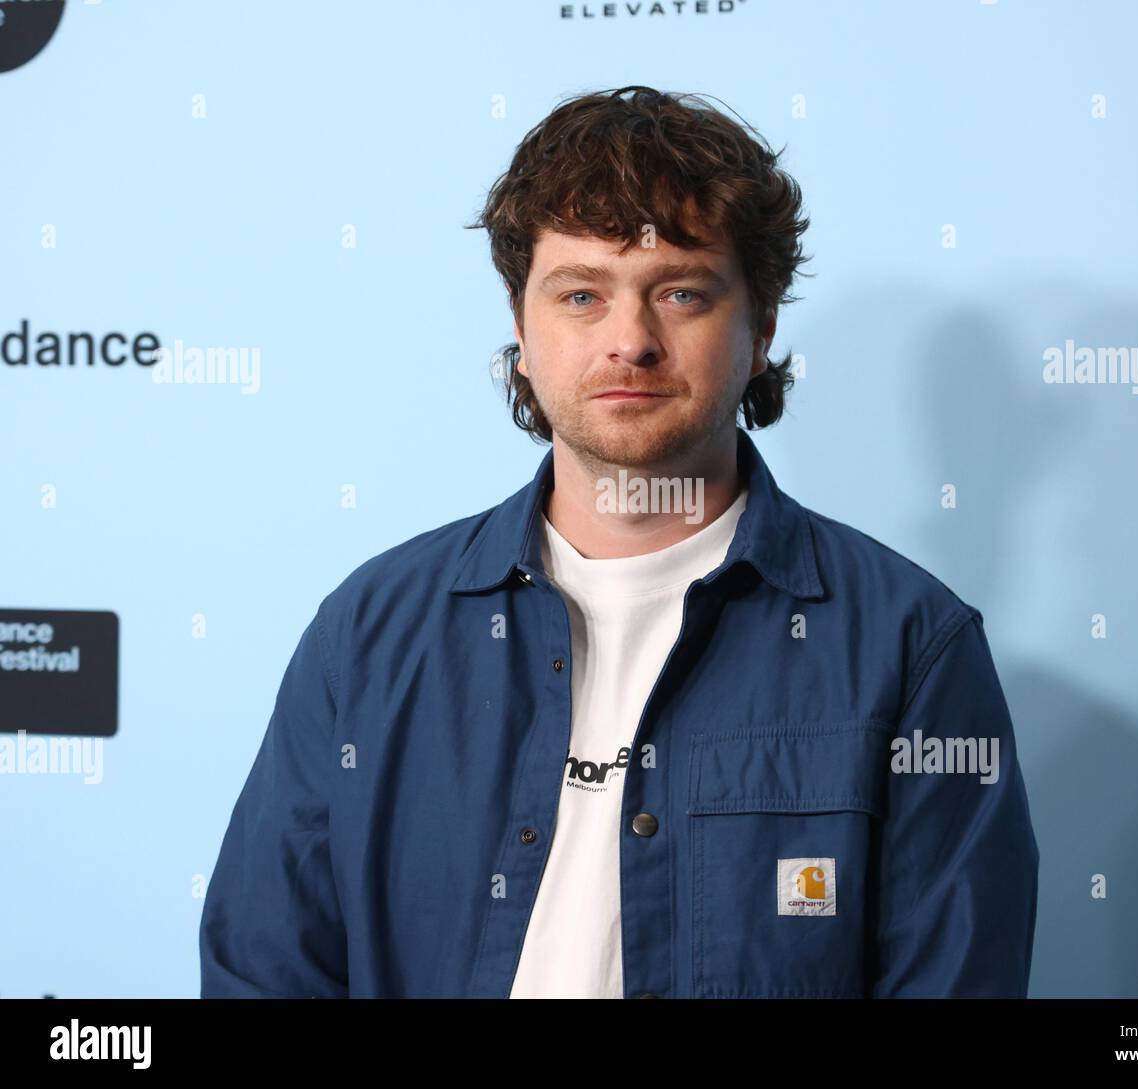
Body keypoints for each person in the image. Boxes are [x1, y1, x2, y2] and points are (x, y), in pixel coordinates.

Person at [199, 85, 1039, 999]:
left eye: (680, 292)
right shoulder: (367, 633)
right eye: (581, 295)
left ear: (760, 330)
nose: (630, 340)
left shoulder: (912, 647)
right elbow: (265, 970)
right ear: (521, 331)